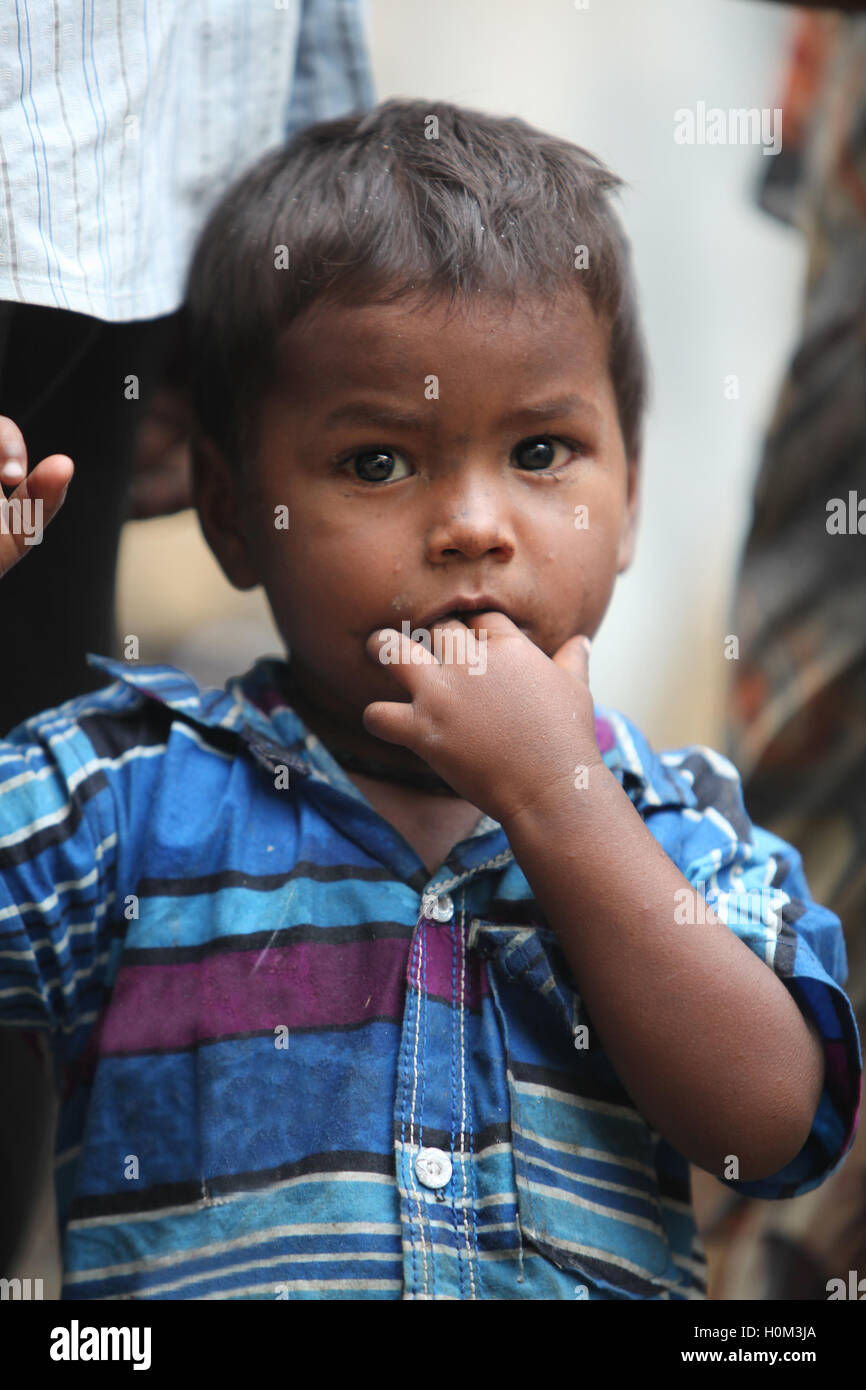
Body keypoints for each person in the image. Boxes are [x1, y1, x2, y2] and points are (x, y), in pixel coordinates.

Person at [0, 98, 859, 1301]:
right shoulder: (125, 798)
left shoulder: (674, 821)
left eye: (542, 452)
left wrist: (559, 807)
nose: (470, 525)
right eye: (378, 462)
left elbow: (770, 1127)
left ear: (630, 496)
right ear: (235, 512)